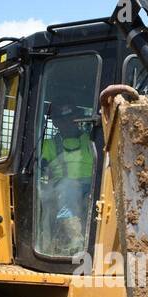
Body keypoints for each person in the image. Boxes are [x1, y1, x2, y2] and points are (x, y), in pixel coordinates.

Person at [39, 104, 97, 256]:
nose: (67, 123)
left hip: (94, 185)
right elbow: (39, 169)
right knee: (68, 186)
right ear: (55, 123)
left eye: (70, 118)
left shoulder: (92, 140)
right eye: (61, 120)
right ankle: (75, 236)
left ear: (77, 119)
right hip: (63, 189)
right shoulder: (50, 145)